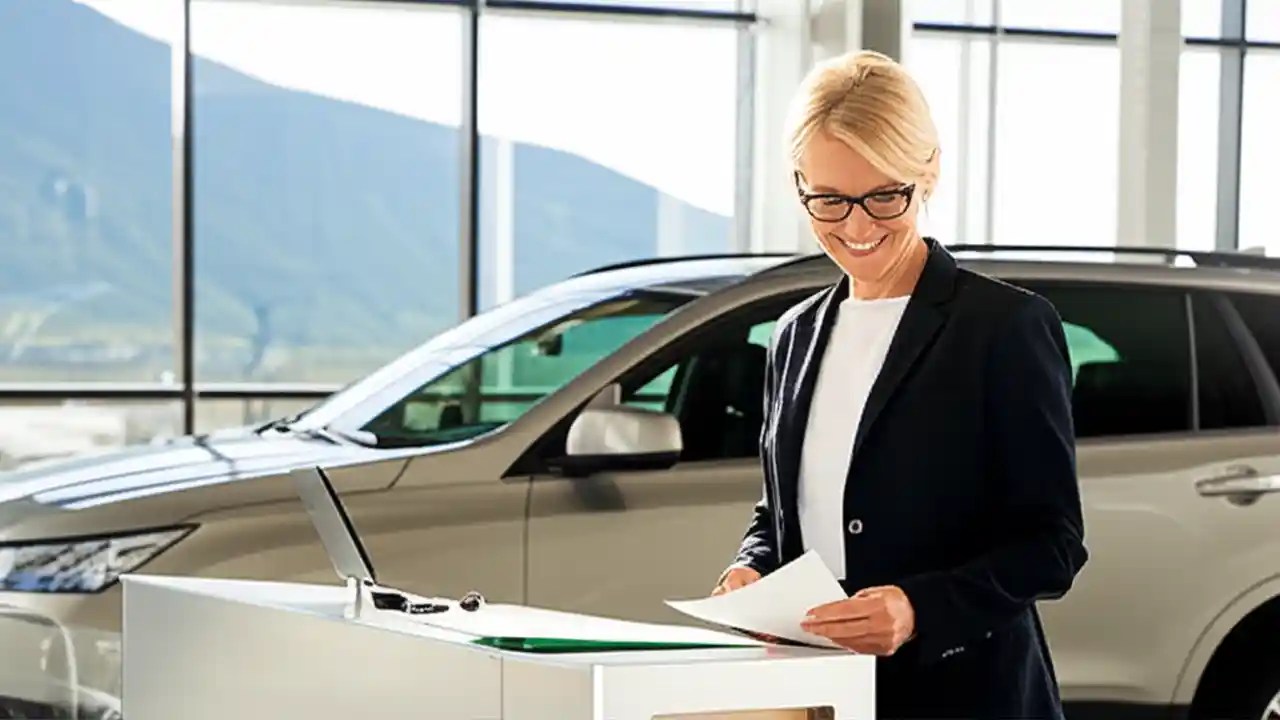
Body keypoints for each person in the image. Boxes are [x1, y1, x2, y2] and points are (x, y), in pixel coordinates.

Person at [710, 49, 1089, 719]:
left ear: (929, 172)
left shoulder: (1003, 327)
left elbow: (1051, 543)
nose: (857, 227)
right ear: (799, 186)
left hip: (966, 698)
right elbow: (781, 513)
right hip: (823, 694)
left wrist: (918, 609)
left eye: (885, 196)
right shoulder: (793, 336)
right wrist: (751, 568)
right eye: (830, 200)